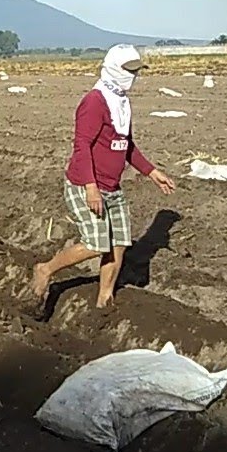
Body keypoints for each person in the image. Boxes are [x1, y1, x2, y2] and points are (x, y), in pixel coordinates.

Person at [28, 43, 177, 317]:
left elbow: (126, 144)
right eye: (128, 70)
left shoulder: (121, 102)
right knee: (97, 244)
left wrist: (152, 172)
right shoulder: (95, 102)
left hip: (112, 186)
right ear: (112, 68)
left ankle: (104, 300)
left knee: (119, 242)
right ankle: (45, 269)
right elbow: (82, 146)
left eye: (136, 71)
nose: (133, 76)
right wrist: (91, 188)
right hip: (86, 184)